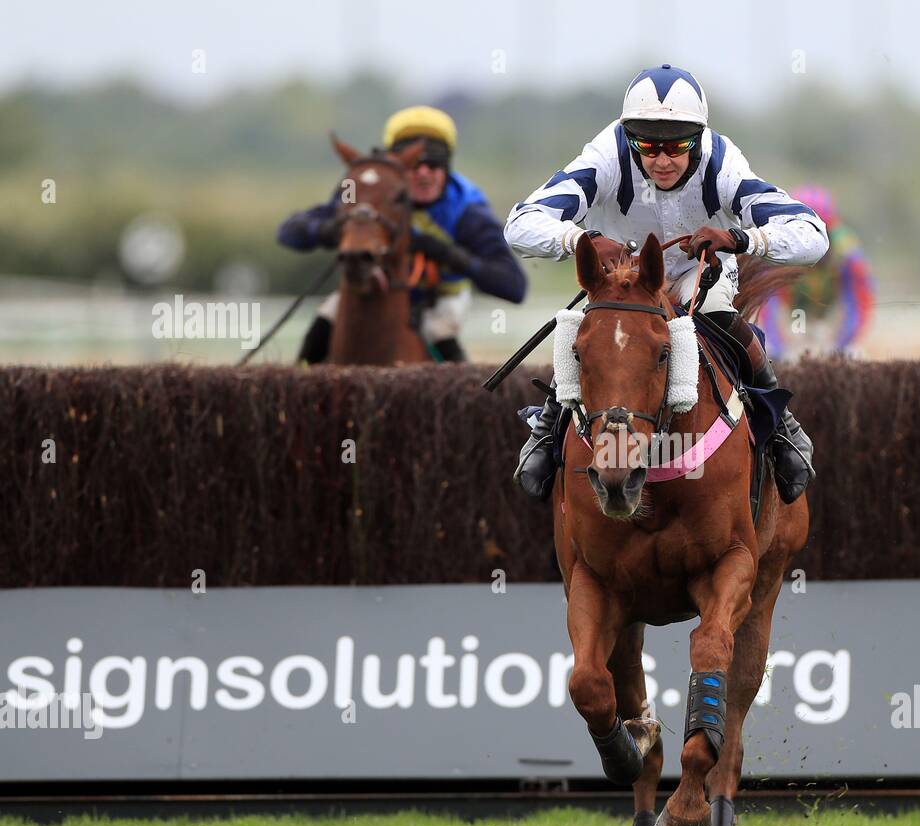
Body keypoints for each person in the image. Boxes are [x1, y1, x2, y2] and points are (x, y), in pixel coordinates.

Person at [505, 65, 828, 503]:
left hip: (700, 272)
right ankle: (549, 426)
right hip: (625, 281)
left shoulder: (723, 163)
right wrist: (580, 239)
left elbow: (813, 234)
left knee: (717, 313)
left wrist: (741, 237)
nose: (660, 160)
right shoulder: (605, 155)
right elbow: (520, 224)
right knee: (593, 332)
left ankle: (782, 425)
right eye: (647, 146)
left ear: (698, 138)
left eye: (676, 146)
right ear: (629, 137)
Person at [277, 105, 525, 362]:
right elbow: (288, 232)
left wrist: (446, 254)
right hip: (374, 290)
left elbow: (513, 286)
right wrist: (329, 230)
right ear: (397, 165)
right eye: (414, 165)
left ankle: (467, 398)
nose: (423, 173)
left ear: (447, 166)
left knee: (437, 330)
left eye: (434, 164)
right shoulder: (370, 193)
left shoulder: (467, 209)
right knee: (326, 317)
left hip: (438, 298)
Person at [757, 185, 875, 358]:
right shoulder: (779, 248)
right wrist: (779, 347)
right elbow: (769, 303)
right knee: (785, 354)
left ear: (830, 228)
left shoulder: (847, 253)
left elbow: (857, 303)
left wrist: (841, 345)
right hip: (797, 312)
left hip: (832, 312)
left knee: (851, 356)